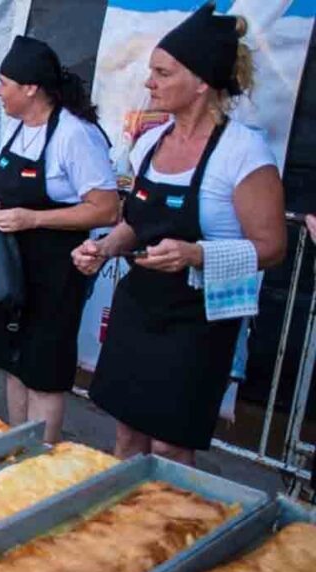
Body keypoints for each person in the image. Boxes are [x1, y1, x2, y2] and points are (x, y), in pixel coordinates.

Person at [74, 5, 286, 465]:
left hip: (198, 320)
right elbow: (135, 221)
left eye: (162, 73)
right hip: (139, 305)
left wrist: (195, 254)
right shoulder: (150, 141)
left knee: (170, 443)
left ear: (202, 82)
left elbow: (272, 247)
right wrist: (105, 246)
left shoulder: (242, 152)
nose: (149, 82)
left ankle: (169, 530)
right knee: (127, 430)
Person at [0, 36, 119, 443]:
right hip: (12, 265)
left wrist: (34, 218)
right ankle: (16, 445)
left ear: (30, 88)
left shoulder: (75, 135)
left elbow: (105, 208)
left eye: (4, 82)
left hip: (55, 269)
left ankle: (42, 457)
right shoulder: (18, 128)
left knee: (43, 372)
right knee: (13, 362)